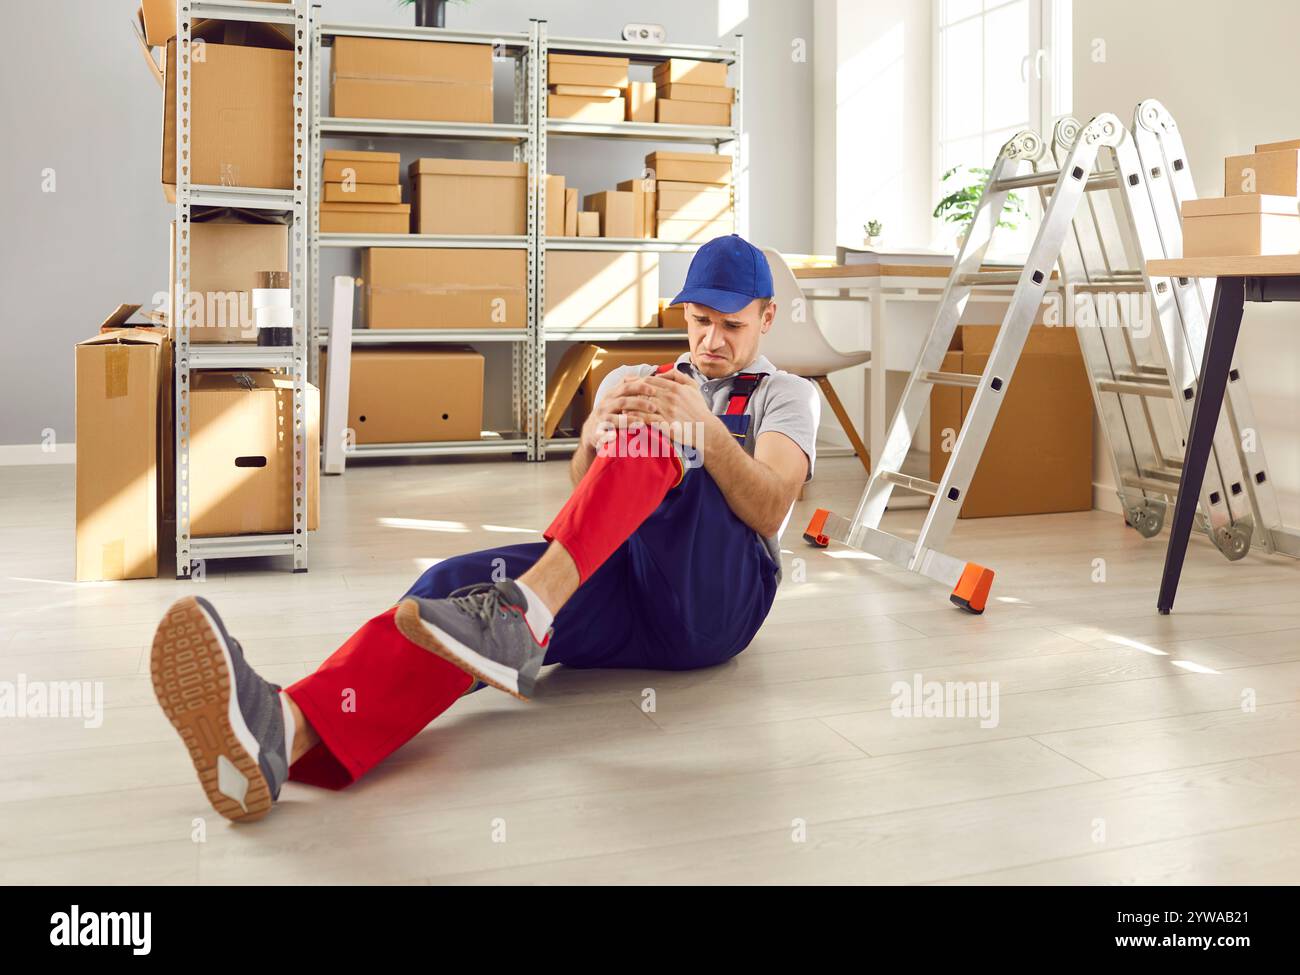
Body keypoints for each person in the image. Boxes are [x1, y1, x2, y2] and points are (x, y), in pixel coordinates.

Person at [149, 234, 821, 822]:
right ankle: (283, 733)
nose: (710, 340)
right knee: (451, 592)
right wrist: (593, 433)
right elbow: (588, 496)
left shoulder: (787, 394)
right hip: (627, 581)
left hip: (718, 599)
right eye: (699, 320)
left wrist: (700, 429)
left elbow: (768, 507)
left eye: (731, 325)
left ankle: (527, 610)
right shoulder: (641, 377)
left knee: (661, 433)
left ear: (766, 318)